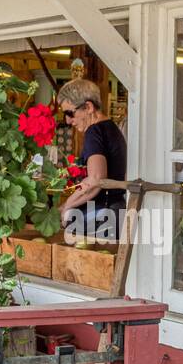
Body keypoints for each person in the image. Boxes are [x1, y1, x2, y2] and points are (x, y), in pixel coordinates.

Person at [57, 77, 126, 242]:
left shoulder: (94, 132)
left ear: (88, 107)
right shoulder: (110, 128)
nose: (67, 120)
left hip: (101, 214)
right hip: (116, 211)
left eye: (70, 113)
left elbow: (96, 180)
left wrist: (67, 205)